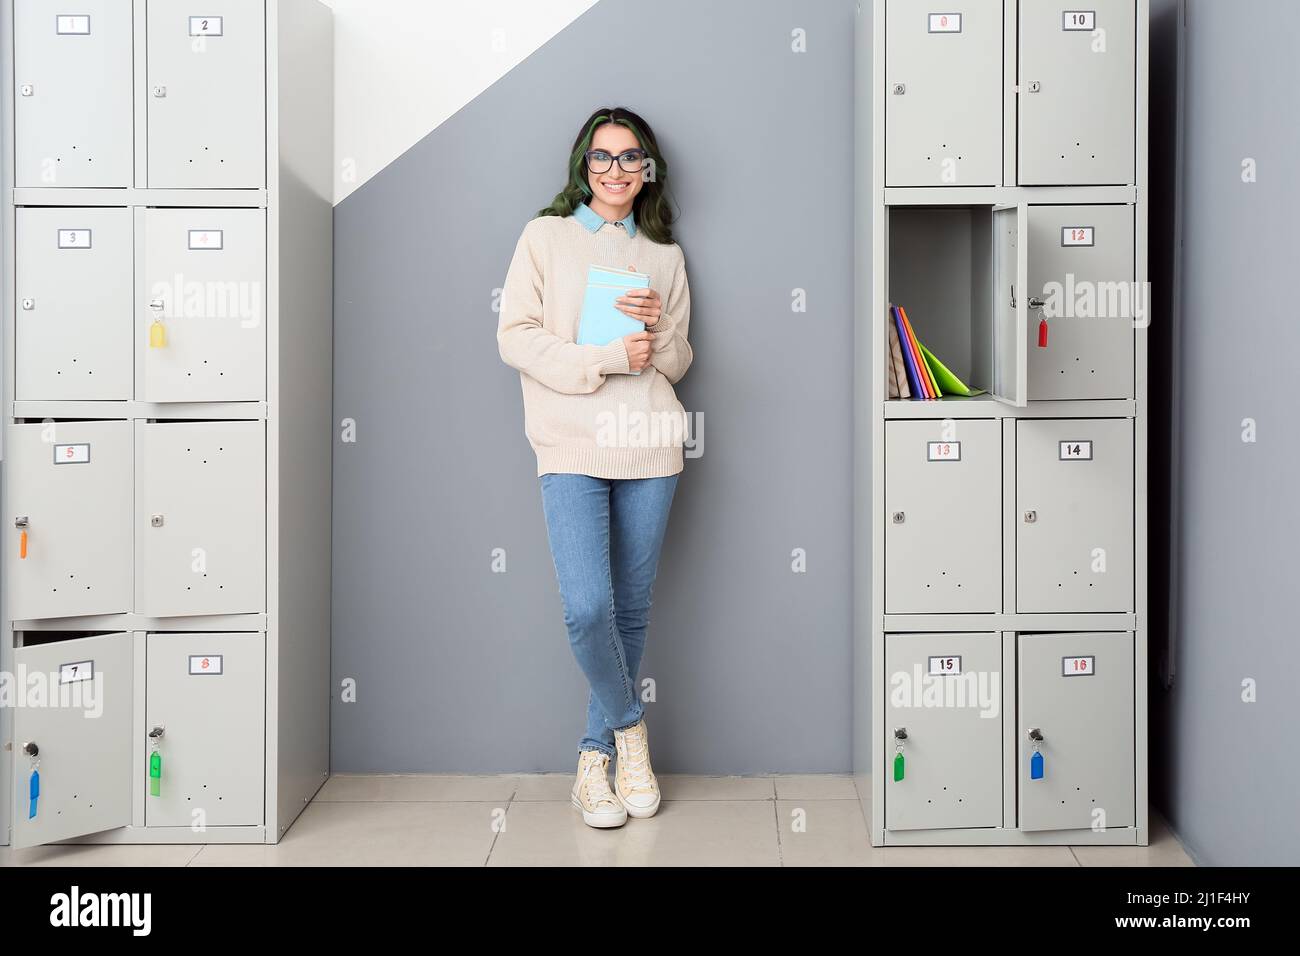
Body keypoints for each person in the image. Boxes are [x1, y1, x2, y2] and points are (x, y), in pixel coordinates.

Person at [497, 106, 693, 828]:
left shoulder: (664, 254)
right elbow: (515, 337)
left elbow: (677, 362)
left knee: (630, 612)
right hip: (571, 442)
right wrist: (606, 358)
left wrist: (657, 330)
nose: (615, 171)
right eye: (602, 158)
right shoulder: (544, 238)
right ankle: (629, 732)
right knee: (589, 609)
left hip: (650, 443)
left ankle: (593, 761)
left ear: (648, 170)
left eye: (629, 157)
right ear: (584, 167)